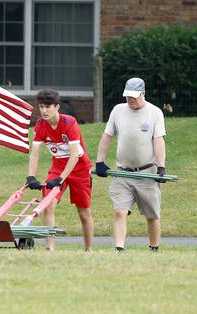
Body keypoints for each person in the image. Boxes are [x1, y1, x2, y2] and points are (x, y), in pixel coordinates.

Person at [94, 77, 167, 252]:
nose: (130, 100)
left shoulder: (154, 112)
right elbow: (107, 136)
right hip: (123, 173)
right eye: (128, 96)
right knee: (119, 211)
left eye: (134, 96)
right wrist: (100, 162)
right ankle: (119, 249)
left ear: (143, 93)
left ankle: (154, 248)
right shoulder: (118, 110)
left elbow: (158, 141)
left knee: (152, 216)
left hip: (147, 172)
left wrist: (161, 166)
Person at [26, 89, 94, 251]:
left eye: (48, 107)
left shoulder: (69, 123)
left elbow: (74, 156)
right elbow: (34, 154)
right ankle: (50, 248)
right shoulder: (40, 125)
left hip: (79, 169)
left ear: (57, 107)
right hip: (58, 167)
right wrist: (31, 176)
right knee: (48, 205)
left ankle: (89, 250)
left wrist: (62, 179)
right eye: (41, 107)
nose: (44, 111)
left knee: (83, 212)